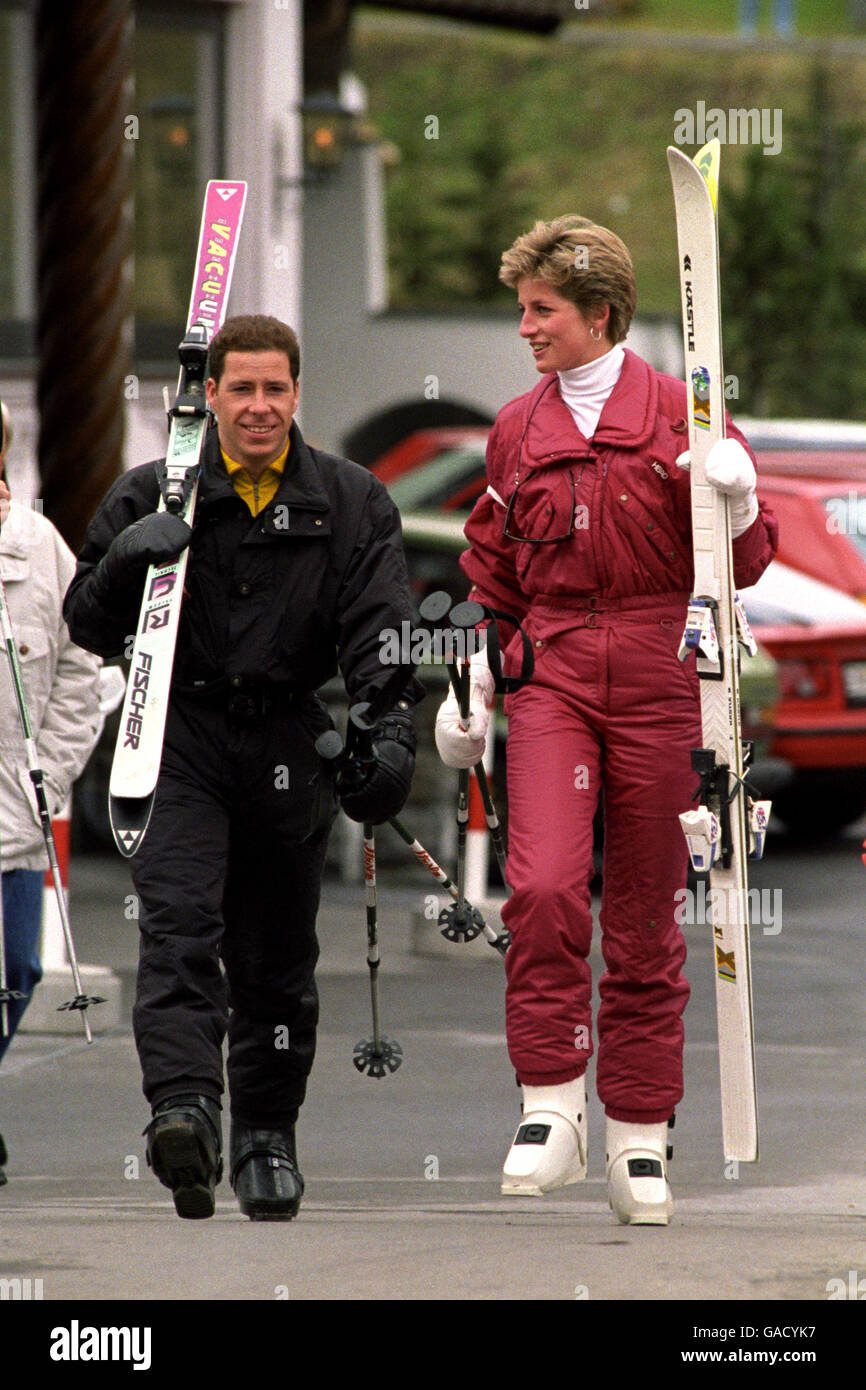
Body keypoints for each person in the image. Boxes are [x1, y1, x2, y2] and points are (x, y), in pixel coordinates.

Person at [435, 217, 778, 1224]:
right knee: (540, 886)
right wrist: (472, 676)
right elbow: (489, 569)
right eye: (521, 311)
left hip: (664, 667)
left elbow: (746, 568)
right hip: (552, 670)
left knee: (640, 915)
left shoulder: (686, 415)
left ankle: (635, 1130)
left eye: (539, 311)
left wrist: (740, 499)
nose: (525, 328)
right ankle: (550, 1108)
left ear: (598, 313)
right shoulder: (515, 427)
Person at [63, 315, 419, 1221]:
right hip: (177, 736)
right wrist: (125, 565)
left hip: (287, 746)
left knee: (275, 958)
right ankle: (184, 1113)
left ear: (298, 393)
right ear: (210, 395)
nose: (259, 406)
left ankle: (267, 1134)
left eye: (275, 389)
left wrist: (386, 736)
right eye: (242, 388)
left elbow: (380, 632)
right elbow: (88, 626)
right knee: (177, 929)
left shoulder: (351, 500)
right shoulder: (155, 491)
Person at [0, 402, 103, 1185]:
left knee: (15, 972)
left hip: (13, 808)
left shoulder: (38, 549)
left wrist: (54, 768)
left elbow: (81, 665)